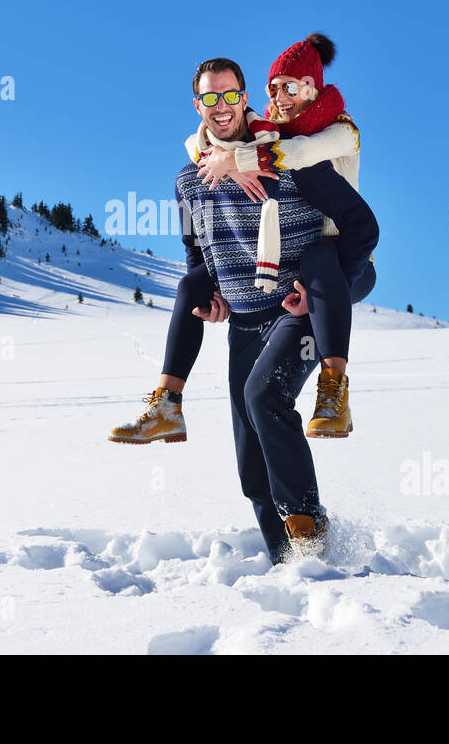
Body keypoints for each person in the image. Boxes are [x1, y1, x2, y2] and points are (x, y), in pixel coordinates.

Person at [110, 58, 378, 561]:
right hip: (244, 320)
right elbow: (197, 252)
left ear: (244, 96)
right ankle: (287, 564)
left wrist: (336, 278)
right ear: (198, 105)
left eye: (230, 95)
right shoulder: (189, 180)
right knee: (251, 463)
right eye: (210, 98)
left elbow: (353, 221)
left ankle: (313, 542)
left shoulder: (284, 156)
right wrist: (211, 299)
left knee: (264, 398)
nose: (221, 106)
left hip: (295, 309)